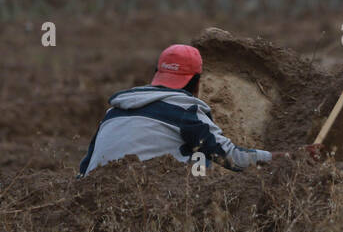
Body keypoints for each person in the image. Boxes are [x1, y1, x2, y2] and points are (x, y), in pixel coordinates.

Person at [78, 44, 305, 177]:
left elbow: (84, 168)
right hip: (145, 201)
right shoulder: (186, 110)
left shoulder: (114, 112)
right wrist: (286, 157)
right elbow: (233, 158)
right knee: (201, 149)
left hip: (96, 197)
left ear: (157, 75)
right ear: (197, 83)